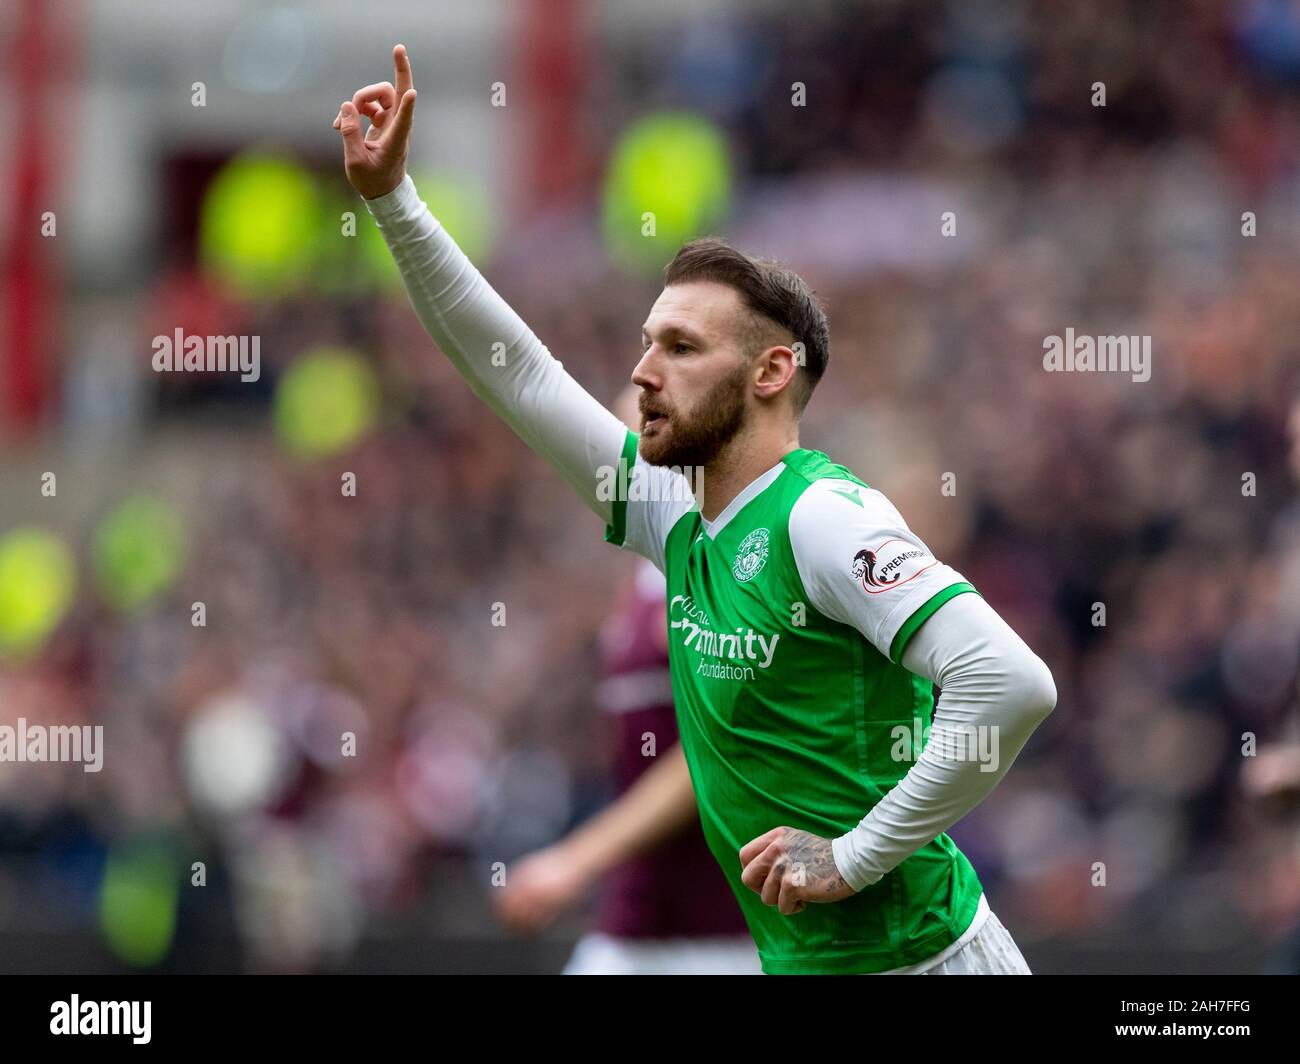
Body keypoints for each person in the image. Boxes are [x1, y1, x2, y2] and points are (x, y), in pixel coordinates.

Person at [333, 45, 1057, 974]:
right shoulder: (671, 514)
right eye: (646, 343)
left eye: (680, 346)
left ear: (770, 373)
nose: (643, 371)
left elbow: (1012, 684)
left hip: (923, 959)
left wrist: (852, 857)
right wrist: (395, 202)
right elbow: (512, 370)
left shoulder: (820, 519)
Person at [493, 387, 761, 974]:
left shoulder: (712, 572)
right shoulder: (649, 573)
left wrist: (576, 859)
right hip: (649, 920)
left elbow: (709, 756)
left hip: (717, 934)